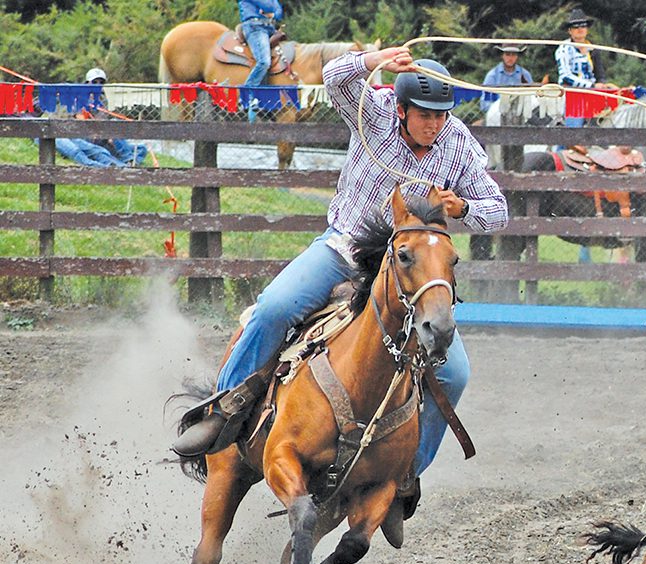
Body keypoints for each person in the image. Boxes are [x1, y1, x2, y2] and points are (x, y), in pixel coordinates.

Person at [172, 47, 509, 507]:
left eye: (441, 115)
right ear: (403, 108)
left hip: (403, 276)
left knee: (454, 374)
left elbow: (498, 211)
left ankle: (406, 471)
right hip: (345, 249)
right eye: (425, 114)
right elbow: (333, 78)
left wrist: (463, 207)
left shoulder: (459, 145)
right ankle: (224, 408)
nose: (434, 124)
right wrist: (376, 60)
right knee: (273, 309)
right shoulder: (374, 114)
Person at [555, 7, 618, 128]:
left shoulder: (592, 49)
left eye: (583, 26)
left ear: (587, 29)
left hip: (593, 94)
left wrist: (602, 84)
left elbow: (600, 74)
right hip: (572, 94)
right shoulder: (563, 49)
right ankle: (566, 144)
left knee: (614, 114)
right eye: (576, 27)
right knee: (574, 126)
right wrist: (592, 86)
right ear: (570, 31)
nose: (580, 29)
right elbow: (566, 76)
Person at [80, 68, 149, 166]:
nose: (98, 85)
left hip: (105, 135)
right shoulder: (79, 99)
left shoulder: (104, 100)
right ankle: (128, 159)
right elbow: (81, 123)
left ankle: (128, 160)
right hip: (91, 137)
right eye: (94, 82)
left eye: (101, 82)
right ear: (87, 83)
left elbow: (107, 120)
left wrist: (110, 136)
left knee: (142, 149)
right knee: (112, 127)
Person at [238, 0, 284, 119]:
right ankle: (245, 95)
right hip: (255, 27)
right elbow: (269, 6)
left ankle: (262, 99)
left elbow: (279, 12)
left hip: (269, 27)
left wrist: (274, 13)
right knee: (264, 61)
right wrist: (273, 10)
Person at [480, 44, 533, 115]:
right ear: (502, 56)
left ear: (517, 57)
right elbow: (485, 102)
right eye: (507, 54)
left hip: (521, 113)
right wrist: (495, 110)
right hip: (496, 114)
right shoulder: (492, 75)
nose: (510, 58)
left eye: (513, 55)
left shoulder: (525, 74)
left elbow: (532, 97)